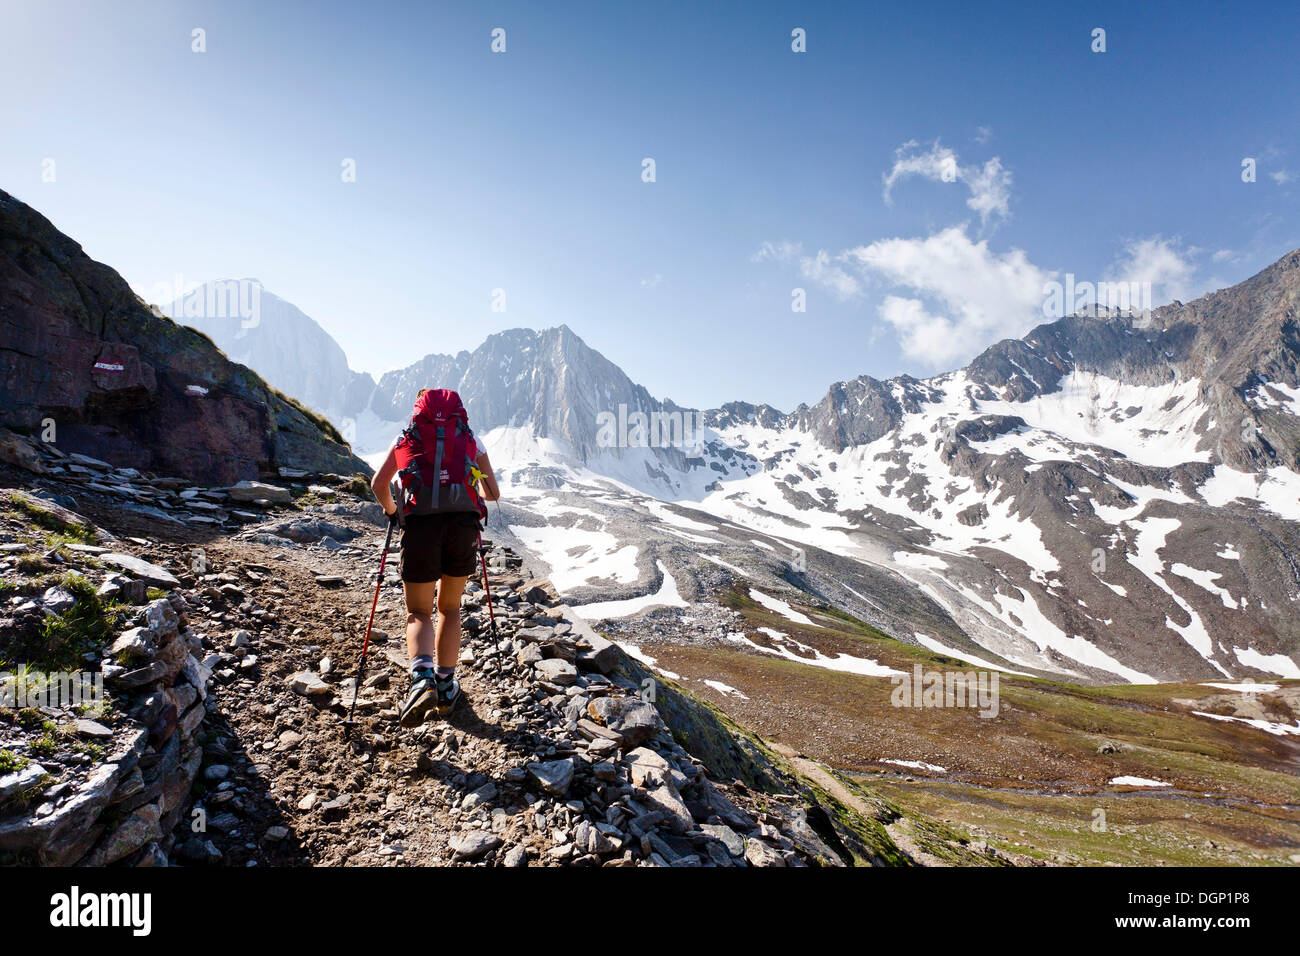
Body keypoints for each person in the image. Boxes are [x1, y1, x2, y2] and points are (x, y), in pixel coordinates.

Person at [371, 388, 500, 727]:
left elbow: (377, 483)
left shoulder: (407, 436)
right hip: (461, 527)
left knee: (418, 610)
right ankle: (445, 683)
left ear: (418, 409)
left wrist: (393, 510)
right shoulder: (471, 439)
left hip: (421, 527)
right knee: (450, 607)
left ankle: (421, 679)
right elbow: (493, 493)